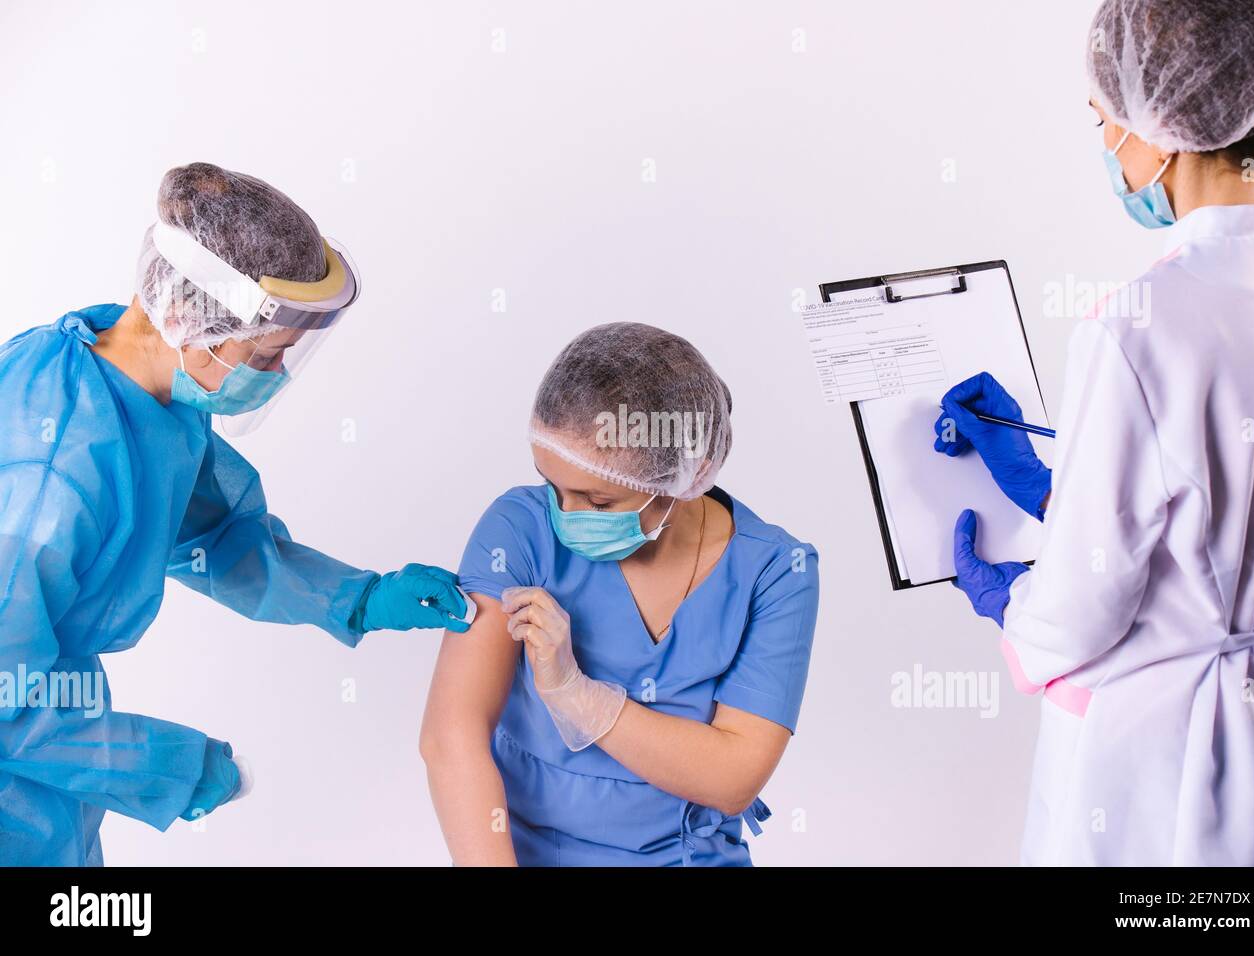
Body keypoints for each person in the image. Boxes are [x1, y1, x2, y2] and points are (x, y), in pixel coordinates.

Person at [0, 164, 470, 866]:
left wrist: (360, 598)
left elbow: (215, 539)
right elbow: (10, 703)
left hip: (50, 789)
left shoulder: (140, 393)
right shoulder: (55, 470)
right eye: (266, 354)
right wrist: (168, 768)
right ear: (191, 320)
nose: (275, 374)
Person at [936, 0, 1254, 865]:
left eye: (1107, 122)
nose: (1106, 148)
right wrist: (1058, 489)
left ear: (1166, 129)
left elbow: (1080, 611)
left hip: (1171, 769)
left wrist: (1012, 603)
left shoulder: (1139, 325)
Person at [420, 322, 818, 865]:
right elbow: (452, 736)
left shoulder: (775, 570)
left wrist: (578, 697)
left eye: (599, 502)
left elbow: (732, 779)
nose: (567, 518)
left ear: (690, 473)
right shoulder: (519, 529)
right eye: (554, 486)